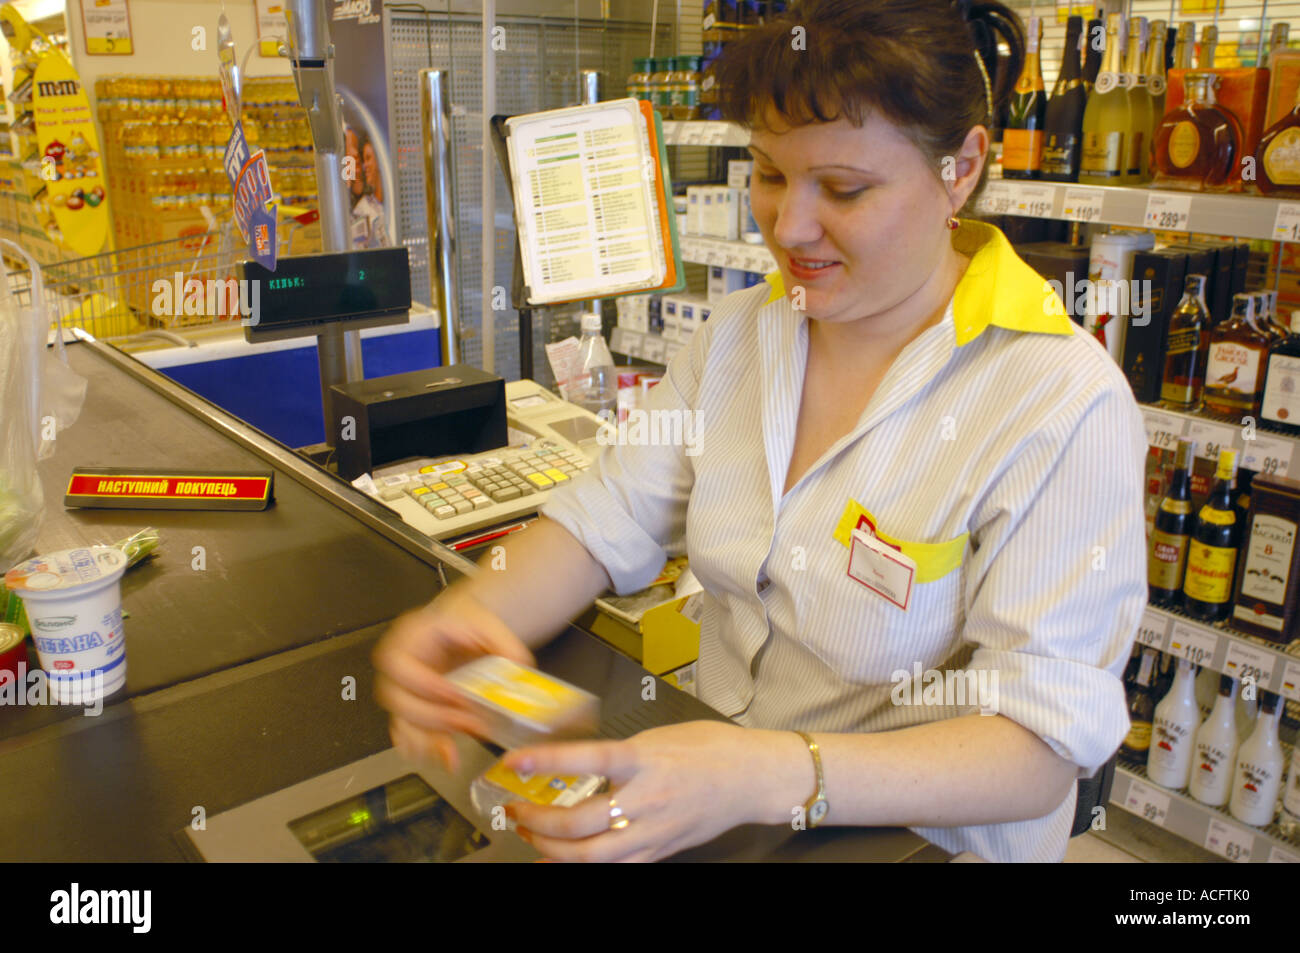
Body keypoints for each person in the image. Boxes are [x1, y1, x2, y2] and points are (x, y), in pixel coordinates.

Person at [373, 0, 1147, 863]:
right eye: (771, 174)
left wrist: (768, 772)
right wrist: (473, 614)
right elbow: (603, 519)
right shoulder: (742, 333)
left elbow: (1035, 752)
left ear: (959, 167)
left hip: (910, 845)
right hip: (730, 816)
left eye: (845, 189)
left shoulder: (1061, 403)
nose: (790, 226)